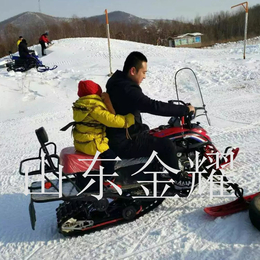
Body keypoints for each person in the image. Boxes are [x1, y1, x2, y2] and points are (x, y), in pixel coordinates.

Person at [106, 51, 196, 191]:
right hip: (125, 142)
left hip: (123, 135)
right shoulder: (127, 89)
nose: (144, 76)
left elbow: (135, 105)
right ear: (133, 71)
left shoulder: (118, 82)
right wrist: (183, 110)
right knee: (167, 145)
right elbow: (151, 106)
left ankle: (159, 171)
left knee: (157, 132)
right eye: (143, 72)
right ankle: (179, 181)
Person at [62, 80, 135, 176]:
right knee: (110, 157)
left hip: (82, 143)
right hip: (93, 143)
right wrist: (129, 119)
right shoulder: (94, 107)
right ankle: (108, 179)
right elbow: (111, 120)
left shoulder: (81, 106)